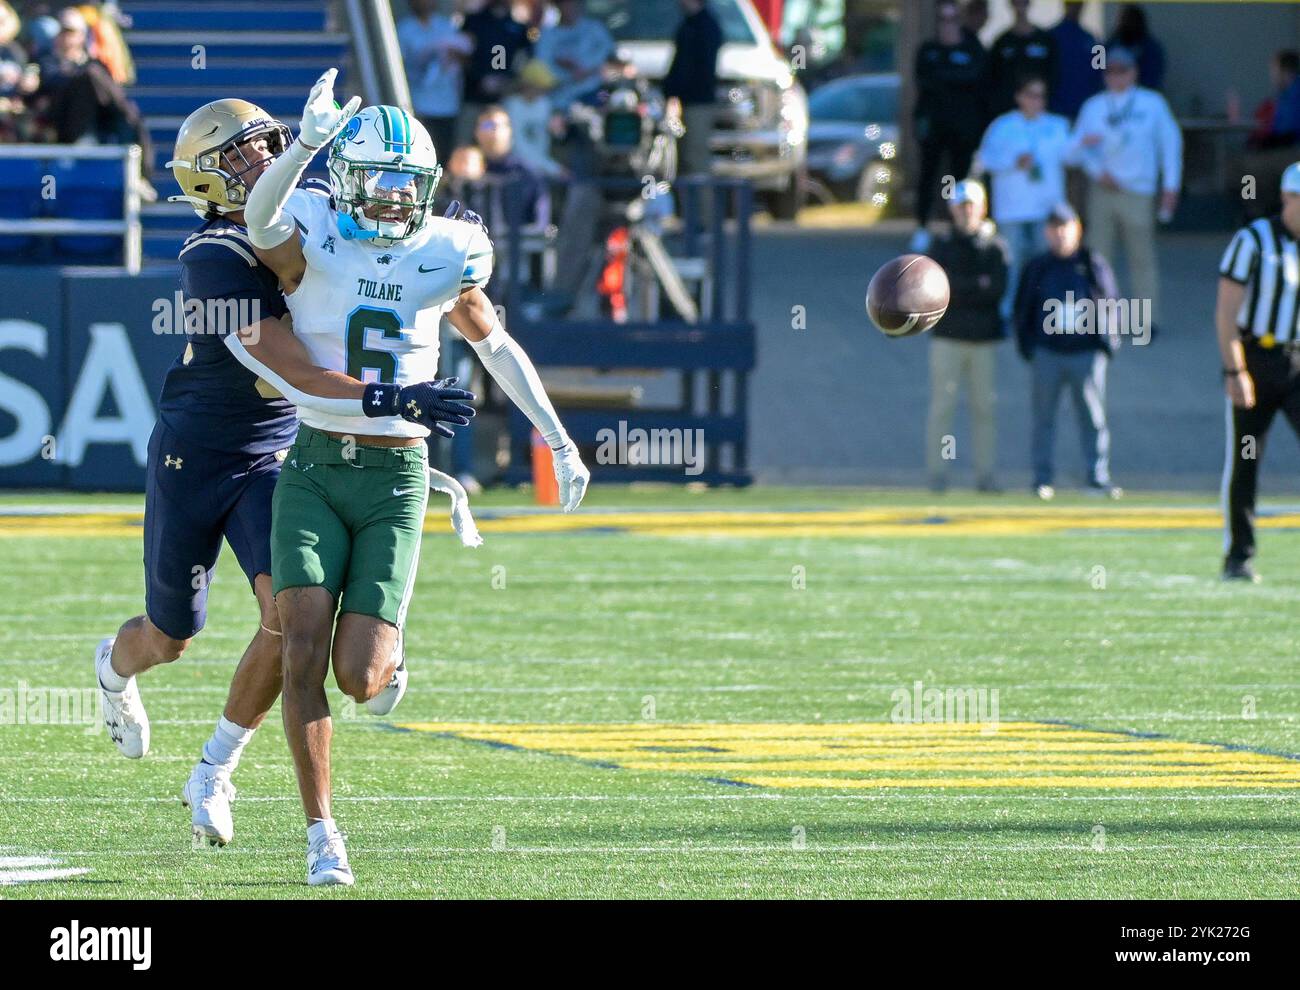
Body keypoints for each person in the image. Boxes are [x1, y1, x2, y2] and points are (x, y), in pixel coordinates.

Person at [93, 98, 471, 848]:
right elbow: (287, 361)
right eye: (239, 153)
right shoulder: (214, 255)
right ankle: (112, 666)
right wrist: (386, 396)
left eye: (269, 141)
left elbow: (395, 242)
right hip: (196, 453)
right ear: (204, 179)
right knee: (170, 636)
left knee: (288, 619)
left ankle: (215, 769)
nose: (263, 156)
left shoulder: (325, 205)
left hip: (278, 450)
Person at [243, 71, 590, 885]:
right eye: (382, 183)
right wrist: (303, 144)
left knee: (357, 677)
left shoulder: (448, 249)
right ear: (348, 181)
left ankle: (390, 660)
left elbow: (495, 345)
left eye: (410, 187)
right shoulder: (316, 225)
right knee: (300, 645)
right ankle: (322, 833)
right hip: (316, 462)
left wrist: (557, 437)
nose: (396, 201)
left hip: (398, 475)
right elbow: (260, 218)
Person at [1215, 164, 1300, 582]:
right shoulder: (1254, 241)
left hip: (1298, 363)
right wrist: (1235, 370)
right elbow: (1226, 311)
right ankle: (1239, 555)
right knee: (1247, 459)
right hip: (1257, 360)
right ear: (1287, 198)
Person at [1015, 203, 1122, 500]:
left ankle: (1097, 477)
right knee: (1043, 418)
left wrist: (1106, 345)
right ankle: (1042, 479)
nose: (1060, 234)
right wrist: (1029, 347)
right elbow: (1022, 308)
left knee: (1092, 418)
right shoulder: (1038, 267)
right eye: (1054, 228)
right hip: (1048, 353)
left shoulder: (1092, 264)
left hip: (1085, 355)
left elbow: (1111, 302)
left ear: (1078, 229)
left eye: (1066, 227)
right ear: (1047, 232)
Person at [1070, 45, 1181, 331]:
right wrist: (1098, 172)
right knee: (1098, 258)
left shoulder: (1152, 103)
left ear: (1135, 72)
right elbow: (1079, 149)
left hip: (1139, 191)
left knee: (1141, 258)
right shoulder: (1093, 106)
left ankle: (1146, 320)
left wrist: (1170, 186)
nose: (1117, 77)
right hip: (1103, 191)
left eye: (1123, 71)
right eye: (1111, 71)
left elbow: (1170, 145)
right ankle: (1099, 319)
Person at [924, 179, 1009, 494]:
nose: (967, 212)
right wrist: (973, 286)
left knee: (984, 408)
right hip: (947, 337)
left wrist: (959, 287)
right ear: (953, 210)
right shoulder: (942, 245)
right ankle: (937, 476)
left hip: (983, 340)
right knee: (942, 407)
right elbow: (935, 289)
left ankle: (985, 477)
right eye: (961, 206)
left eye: (972, 205)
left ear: (982, 207)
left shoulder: (995, 247)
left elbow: (995, 290)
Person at [977, 72, 1071, 324]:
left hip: (1046, 210)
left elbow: (1073, 155)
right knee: (1011, 265)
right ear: (1019, 97)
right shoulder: (1002, 126)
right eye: (1031, 95)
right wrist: (1012, 162)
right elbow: (984, 161)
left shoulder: (1057, 125)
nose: (1036, 101)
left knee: (1046, 264)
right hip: (1013, 209)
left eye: (1041, 96)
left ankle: (1044, 313)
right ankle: (1006, 313)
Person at [912, 0, 986, 238]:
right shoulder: (928, 50)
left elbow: (975, 78)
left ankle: (960, 226)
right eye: (942, 20)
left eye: (952, 19)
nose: (947, 26)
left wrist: (946, 78)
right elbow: (924, 80)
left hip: (963, 127)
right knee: (929, 175)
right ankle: (923, 225)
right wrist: (953, 78)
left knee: (960, 176)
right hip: (934, 125)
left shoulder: (972, 48)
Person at [396, 0, 472, 164]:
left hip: (447, 105)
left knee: (444, 156)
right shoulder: (404, 29)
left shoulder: (446, 27)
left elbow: (465, 59)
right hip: (418, 103)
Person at [662, 0, 723, 180]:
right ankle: (685, 207)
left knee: (696, 162)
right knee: (682, 163)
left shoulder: (705, 26)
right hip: (684, 102)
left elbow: (694, 69)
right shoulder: (688, 24)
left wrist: (675, 90)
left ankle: (701, 208)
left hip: (698, 103)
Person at [460, 0, 532, 146]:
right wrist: (480, 78)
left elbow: (525, 59)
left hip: (504, 100)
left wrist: (507, 80)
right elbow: (461, 56)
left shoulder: (519, 27)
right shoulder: (472, 21)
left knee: (501, 146)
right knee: (465, 145)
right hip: (473, 97)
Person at [475, 103, 550, 230]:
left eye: (499, 126)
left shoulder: (528, 174)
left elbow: (539, 226)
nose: (493, 131)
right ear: (476, 132)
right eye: (487, 125)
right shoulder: (467, 172)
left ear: (510, 131)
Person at [534, 0, 614, 113]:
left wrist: (587, 70)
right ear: (558, 6)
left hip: (595, 92)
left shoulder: (595, 28)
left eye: (575, 3)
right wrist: (564, 66)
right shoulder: (547, 34)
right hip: (559, 94)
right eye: (566, 4)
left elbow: (609, 55)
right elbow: (542, 63)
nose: (571, 7)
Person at [987, 0, 1056, 119]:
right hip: (1007, 110)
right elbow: (993, 78)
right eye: (1016, 2)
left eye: (1023, 2)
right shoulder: (1002, 41)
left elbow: (1054, 75)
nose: (1020, 6)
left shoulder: (1045, 40)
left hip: (1040, 111)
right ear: (1011, 4)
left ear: (1029, 3)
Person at [502, 58, 568, 179]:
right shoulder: (511, 107)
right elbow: (518, 147)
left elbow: (556, 134)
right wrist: (553, 168)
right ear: (528, 85)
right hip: (515, 172)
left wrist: (557, 130)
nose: (545, 90)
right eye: (541, 86)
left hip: (539, 171)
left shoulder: (544, 103)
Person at [1048, 1, 1101, 122]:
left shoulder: (1092, 38)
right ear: (1065, 5)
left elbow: (1101, 69)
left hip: (1085, 109)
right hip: (1056, 109)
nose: (1075, 8)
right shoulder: (1050, 36)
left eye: (1078, 4)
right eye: (1071, 4)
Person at [1105, 3, 1164, 92]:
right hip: (1112, 95)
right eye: (1125, 20)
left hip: (1142, 95)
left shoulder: (1151, 48)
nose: (1128, 23)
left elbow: (1153, 77)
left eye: (1132, 20)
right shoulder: (1111, 45)